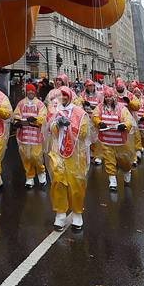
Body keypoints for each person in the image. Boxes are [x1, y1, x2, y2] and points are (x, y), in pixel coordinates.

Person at [46, 87, 93, 230]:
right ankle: (60, 214)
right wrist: (57, 124)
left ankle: (77, 213)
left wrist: (70, 126)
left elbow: (84, 133)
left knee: (76, 184)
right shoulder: (56, 111)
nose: (63, 98)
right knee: (58, 182)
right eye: (61, 96)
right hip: (57, 152)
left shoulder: (80, 113)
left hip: (76, 155)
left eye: (65, 95)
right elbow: (50, 130)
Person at [93, 86, 134, 189]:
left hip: (120, 141)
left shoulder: (121, 108)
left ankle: (127, 171)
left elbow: (128, 120)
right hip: (106, 141)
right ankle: (112, 180)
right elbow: (95, 116)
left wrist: (124, 125)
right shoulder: (100, 107)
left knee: (124, 160)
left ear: (114, 97)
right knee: (109, 161)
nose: (108, 99)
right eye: (106, 97)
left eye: (110, 96)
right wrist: (99, 122)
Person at [14, 82, 48, 188]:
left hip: (36, 135)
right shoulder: (21, 103)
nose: (31, 92)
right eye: (29, 90)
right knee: (26, 157)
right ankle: (29, 177)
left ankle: (41, 173)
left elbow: (43, 115)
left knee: (36, 156)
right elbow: (16, 115)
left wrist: (36, 119)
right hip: (24, 135)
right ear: (26, 91)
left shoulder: (40, 104)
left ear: (35, 91)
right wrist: (17, 122)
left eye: (33, 90)